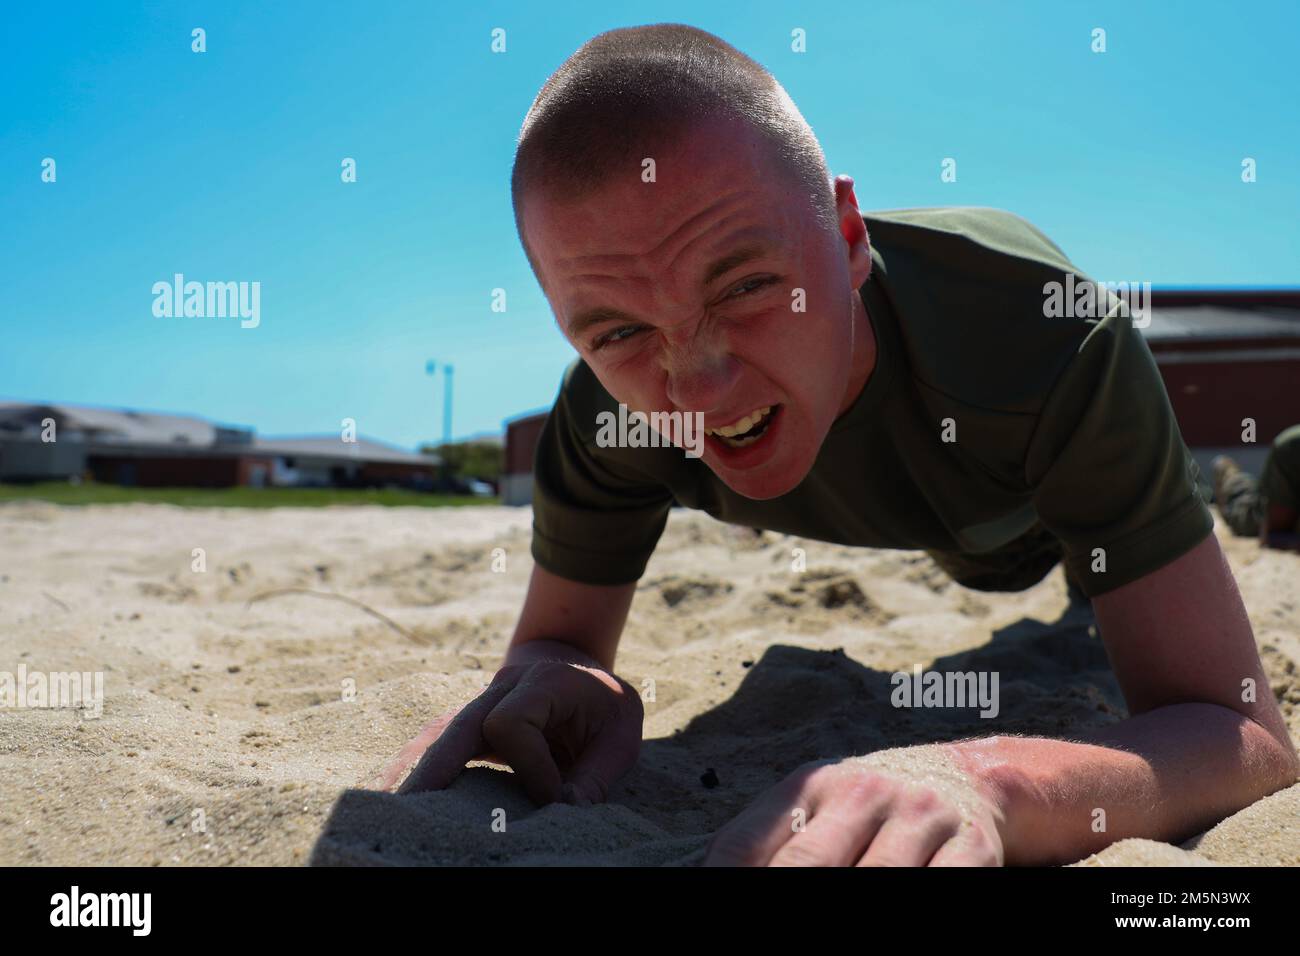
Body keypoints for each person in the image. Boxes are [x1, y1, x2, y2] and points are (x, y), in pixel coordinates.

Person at [374, 24, 1298, 866]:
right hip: (945, 514)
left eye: (743, 288)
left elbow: (1243, 735)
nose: (697, 388)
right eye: (615, 333)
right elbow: (556, 641)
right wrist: (564, 681)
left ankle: (1192, 508)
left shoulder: (1054, 345)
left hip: (1040, 505)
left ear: (849, 234)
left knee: (1079, 592)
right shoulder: (604, 418)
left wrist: (988, 780)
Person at [1213, 425, 1300, 551]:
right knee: (1248, 518)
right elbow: (1270, 536)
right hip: (1281, 496)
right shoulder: (1292, 449)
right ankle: (1229, 476)